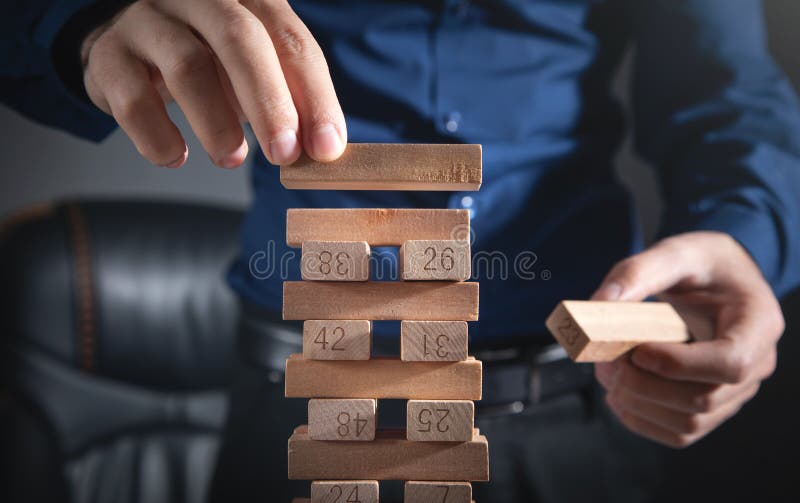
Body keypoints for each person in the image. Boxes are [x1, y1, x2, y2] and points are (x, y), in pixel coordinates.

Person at [2, 0, 799, 501]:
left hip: (572, 413)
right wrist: (85, 21)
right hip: (305, 403)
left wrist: (744, 237)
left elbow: (728, 89)